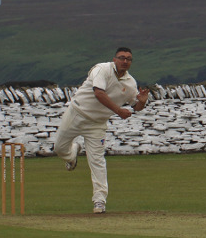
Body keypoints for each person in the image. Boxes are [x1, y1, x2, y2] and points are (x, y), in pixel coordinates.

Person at [53, 47, 149, 214]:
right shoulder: (101, 69)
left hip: (97, 123)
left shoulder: (130, 83)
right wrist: (118, 111)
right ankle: (72, 153)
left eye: (128, 59)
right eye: (122, 58)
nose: (125, 61)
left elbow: (136, 107)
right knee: (59, 148)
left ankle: (99, 201)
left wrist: (142, 101)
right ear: (114, 59)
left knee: (97, 161)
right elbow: (99, 93)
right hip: (77, 113)